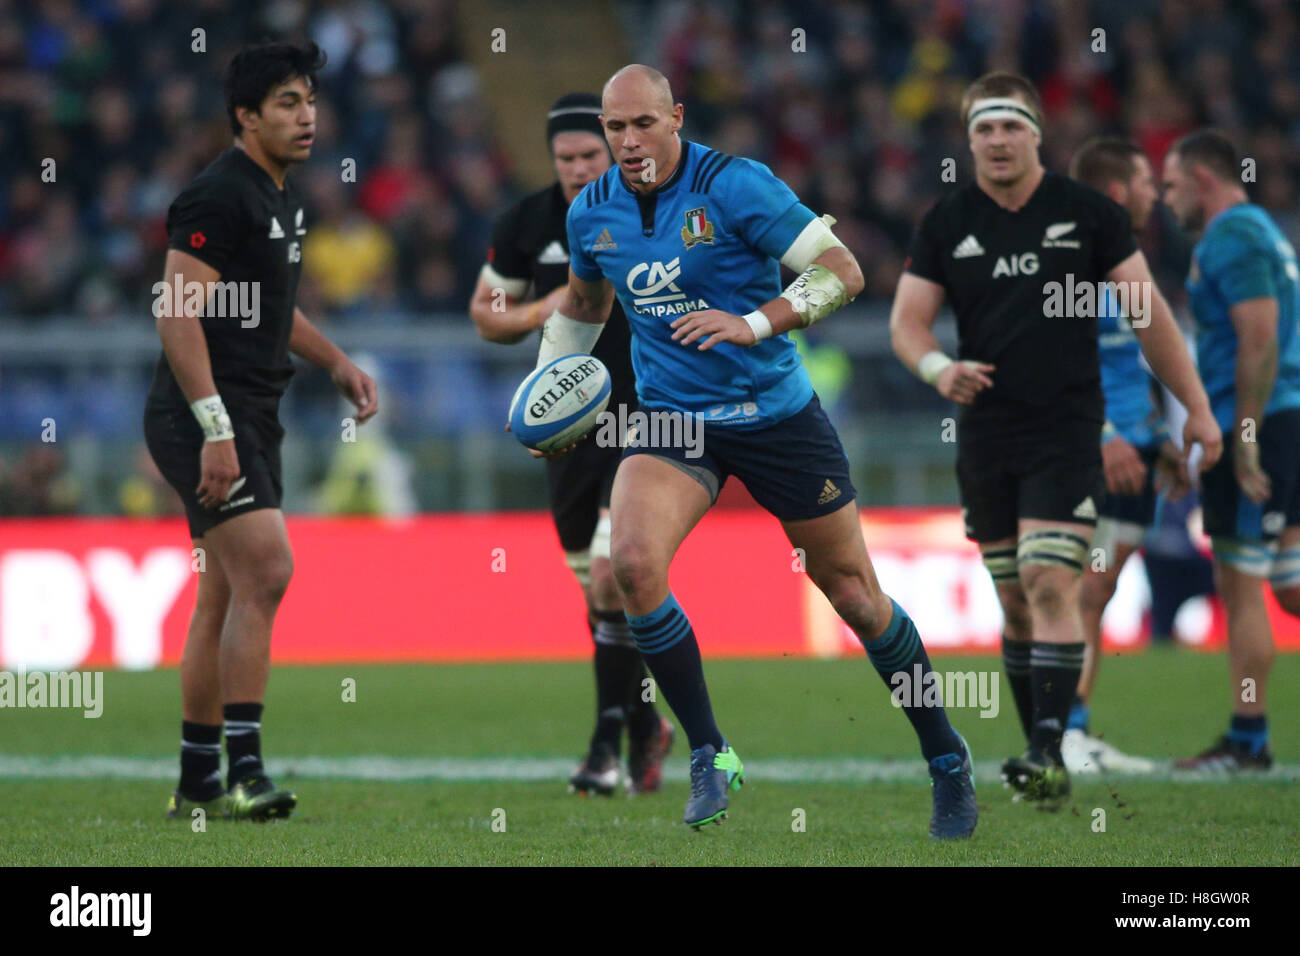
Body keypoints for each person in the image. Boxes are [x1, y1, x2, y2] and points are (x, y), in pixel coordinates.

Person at [534, 64, 977, 838]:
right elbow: (582, 303)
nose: (630, 141)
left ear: (676, 117)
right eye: (615, 128)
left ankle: (945, 754)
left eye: (644, 123)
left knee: (856, 597)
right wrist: (548, 391)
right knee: (631, 566)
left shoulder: (737, 185)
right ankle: (709, 750)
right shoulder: (591, 212)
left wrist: (753, 322)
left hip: (776, 416)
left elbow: (843, 271)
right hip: (674, 421)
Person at [889, 72, 1220, 804]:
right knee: (1013, 602)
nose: (998, 140)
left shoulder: (1090, 215)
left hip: (1068, 428)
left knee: (1051, 579)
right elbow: (907, 324)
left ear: (1037, 134)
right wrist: (939, 367)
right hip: (986, 433)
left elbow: (1150, 317)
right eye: (984, 129)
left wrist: (1194, 408)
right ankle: (1043, 746)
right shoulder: (948, 220)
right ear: (969, 139)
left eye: (1011, 126)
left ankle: (1047, 746)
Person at [144, 41, 378, 821]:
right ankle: (245, 772)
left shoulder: (281, 196)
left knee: (223, 594)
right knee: (269, 569)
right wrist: (214, 429)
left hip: (246, 414)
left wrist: (337, 360)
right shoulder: (218, 197)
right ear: (245, 117)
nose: (306, 115)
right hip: (204, 413)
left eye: (308, 100)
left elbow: (270, 312)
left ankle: (197, 780)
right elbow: (177, 314)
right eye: (286, 102)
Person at [470, 93, 671, 796]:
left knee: (616, 572)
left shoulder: (651, 209)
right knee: (598, 592)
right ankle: (644, 720)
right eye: (567, 159)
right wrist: (540, 309)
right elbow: (485, 313)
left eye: (592, 155)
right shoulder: (527, 221)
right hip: (571, 425)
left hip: (648, 412)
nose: (581, 168)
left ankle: (603, 747)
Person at [1161, 130, 1300, 772]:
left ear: (1204, 179)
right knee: (1291, 584)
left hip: (1263, 424)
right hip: (1283, 417)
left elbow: (1260, 338)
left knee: (1241, 587)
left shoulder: (1231, 237)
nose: (1166, 199)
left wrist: (1241, 439)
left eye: (1171, 185)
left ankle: (1248, 741)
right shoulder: (1261, 230)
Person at [1064, 138, 1183, 774]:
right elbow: (1060, 361)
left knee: (1099, 592)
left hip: (1139, 451)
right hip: (1097, 449)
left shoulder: (1127, 262)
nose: (1155, 193)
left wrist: (1158, 437)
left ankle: (1074, 730)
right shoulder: (1074, 262)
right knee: (1085, 590)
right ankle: (1064, 733)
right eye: (1145, 181)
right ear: (1116, 191)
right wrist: (1106, 431)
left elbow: (1132, 361)